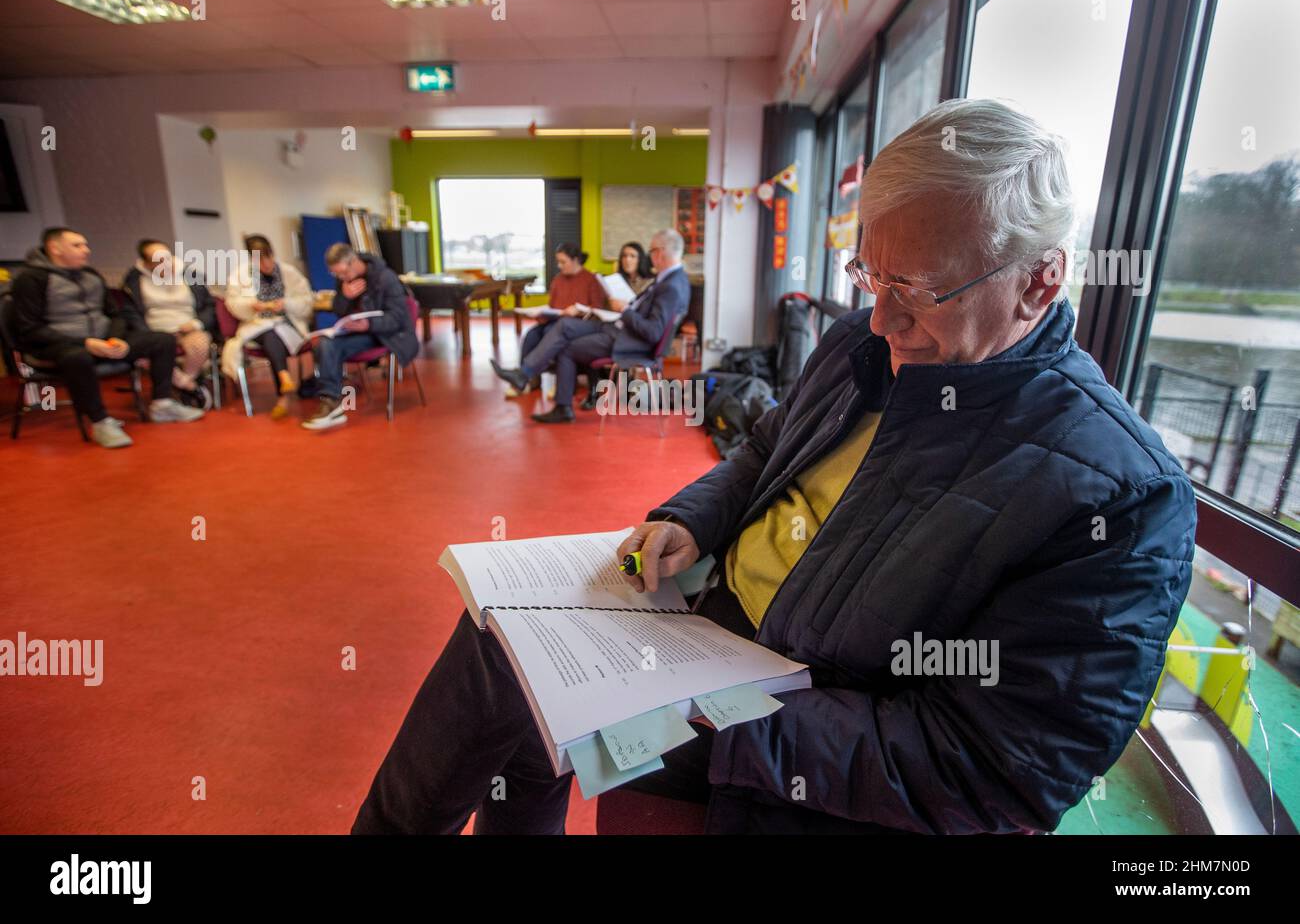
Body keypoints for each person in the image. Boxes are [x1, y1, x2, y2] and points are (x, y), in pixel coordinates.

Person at [352, 100, 1196, 835]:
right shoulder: (855, 347)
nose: (881, 317)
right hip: (700, 630)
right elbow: (763, 452)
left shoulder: (1121, 494)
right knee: (502, 635)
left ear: (1039, 282)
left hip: (778, 727)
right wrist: (693, 517)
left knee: (522, 700)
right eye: (869, 271)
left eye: (920, 287)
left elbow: (1000, 765)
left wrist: (711, 710)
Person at [11, 227, 205, 448]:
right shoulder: (31, 279)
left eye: (85, 244)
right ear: (55, 248)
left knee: (161, 340)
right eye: (77, 245)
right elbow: (29, 329)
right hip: (59, 345)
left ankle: (162, 404)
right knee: (77, 357)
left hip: (103, 341)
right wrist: (86, 343)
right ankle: (100, 422)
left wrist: (115, 338)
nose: (86, 250)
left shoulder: (90, 275)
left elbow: (115, 314)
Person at [489, 229, 691, 423]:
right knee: (566, 325)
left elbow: (653, 332)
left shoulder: (671, 286)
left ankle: (561, 407)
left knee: (566, 347)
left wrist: (625, 310)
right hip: (619, 328)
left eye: (651, 251)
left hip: (628, 340)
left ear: (660, 253)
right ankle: (523, 374)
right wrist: (627, 308)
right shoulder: (671, 280)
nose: (650, 256)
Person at [303, 243, 418, 431]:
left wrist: (369, 324)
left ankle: (331, 403)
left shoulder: (385, 278)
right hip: (357, 332)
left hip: (384, 335)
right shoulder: (345, 281)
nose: (341, 278)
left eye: (342, 273)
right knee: (324, 344)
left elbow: (398, 318)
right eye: (336, 275)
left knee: (330, 348)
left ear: (354, 262)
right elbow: (338, 311)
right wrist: (344, 297)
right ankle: (331, 401)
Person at [222, 235, 314, 420]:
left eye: (268, 257)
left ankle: (283, 386)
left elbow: (306, 299)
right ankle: (284, 383)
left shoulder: (289, 272)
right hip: (255, 325)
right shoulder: (240, 276)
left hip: (287, 323)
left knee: (273, 336)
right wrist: (251, 305)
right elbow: (232, 303)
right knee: (269, 333)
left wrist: (286, 303)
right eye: (259, 260)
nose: (265, 264)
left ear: (272, 253)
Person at [120, 239, 218, 411]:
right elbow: (131, 315)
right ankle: (190, 388)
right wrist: (149, 334)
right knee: (146, 356)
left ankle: (183, 383)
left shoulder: (190, 276)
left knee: (200, 344)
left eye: (168, 257)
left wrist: (196, 323)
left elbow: (209, 305)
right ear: (147, 263)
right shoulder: (134, 282)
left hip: (189, 328)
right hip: (155, 332)